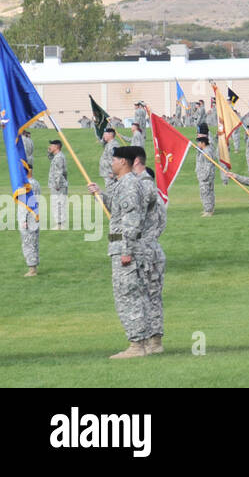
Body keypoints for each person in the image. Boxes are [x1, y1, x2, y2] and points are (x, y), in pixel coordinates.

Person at [88, 147, 150, 358]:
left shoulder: (130, 184)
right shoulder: (124, 184)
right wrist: (100, 194)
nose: (110, 163)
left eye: (113, 159)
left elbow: (131, 219)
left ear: (123, 161)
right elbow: (118, 210)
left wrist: (127, 250)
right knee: (128, 294)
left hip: (125, 247)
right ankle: (139, 342)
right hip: (120, 245)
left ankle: (136, 345)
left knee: (128, 295)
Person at [132, 147, 167, 355]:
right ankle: (155, 341)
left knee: (144, 296)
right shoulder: (160, 200)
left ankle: (146, 341)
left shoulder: (146, 193)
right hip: (153, 247)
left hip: (145, 250)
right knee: (154, 296)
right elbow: (162, 224)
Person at [18, 161, 39, 277]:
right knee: (33, 242)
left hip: (29, 219)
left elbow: (27, 204)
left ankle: (32, 269)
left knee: (28, 243)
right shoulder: (36, 183)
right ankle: (33, 266)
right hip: (34, 217)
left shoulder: (27, 185)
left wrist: (24, 220)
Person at [46, 139, 68, 230]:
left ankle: (60, 225)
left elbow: (59, 172)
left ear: (56, 147)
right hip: (57, 185)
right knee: (57, 203)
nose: (50, 147)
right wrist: (49, 152)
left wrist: (57, 185)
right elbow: (51, 158)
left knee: (58, 204)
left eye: (51, 145)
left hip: (58, 186)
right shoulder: (57, 156)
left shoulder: (59, 157)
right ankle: (59, 224)